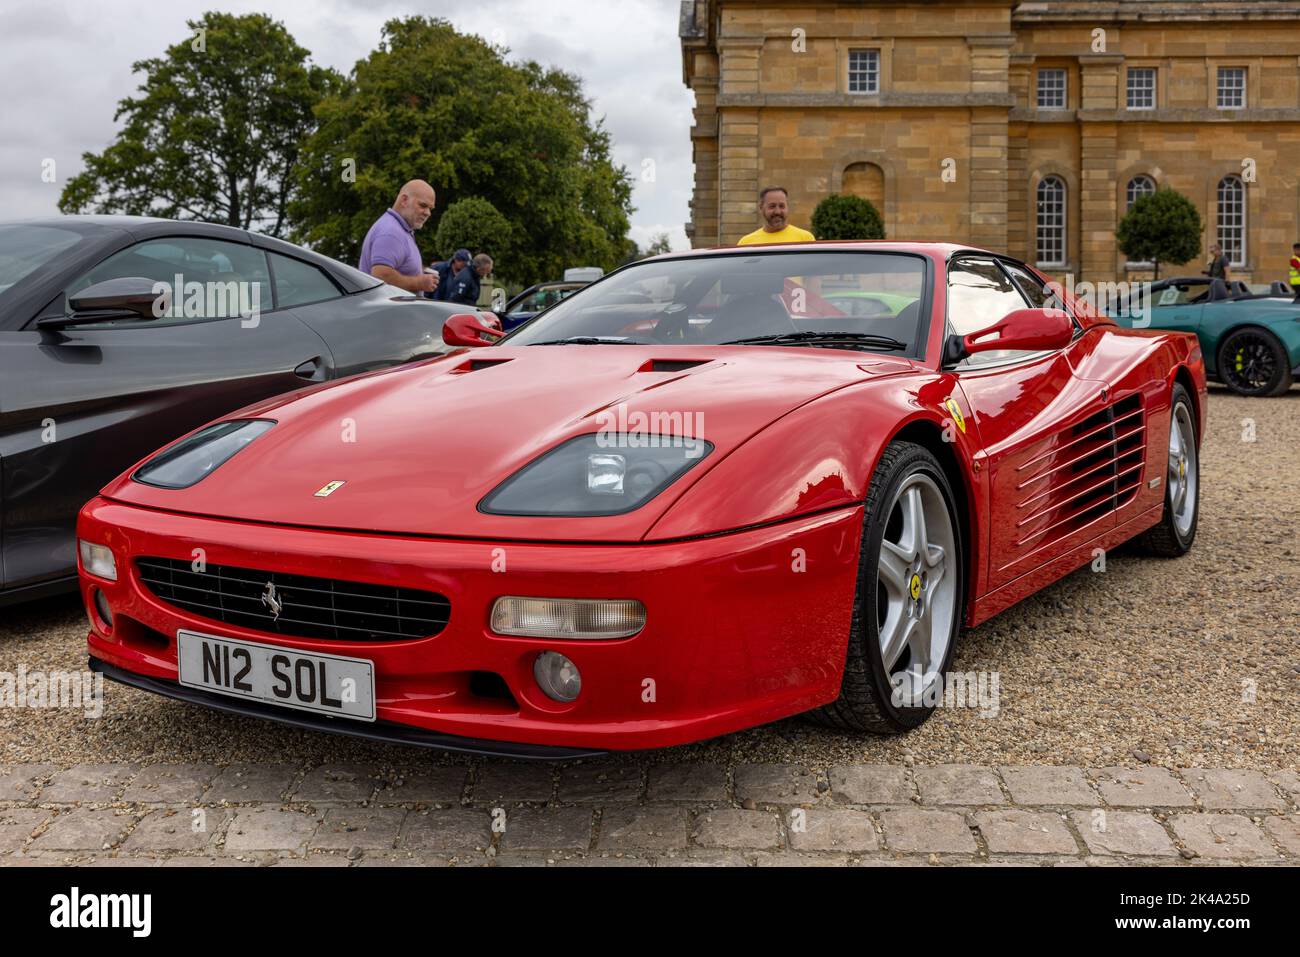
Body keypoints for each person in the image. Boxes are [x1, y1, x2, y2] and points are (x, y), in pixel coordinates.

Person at [358, 180, 439, 295]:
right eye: (423, 205)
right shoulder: (391, 232)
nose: (428, 213)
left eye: (430, 208)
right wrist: (419, 283)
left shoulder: (400, 229)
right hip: (388, 312)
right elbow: (380, 276)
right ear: (404, 200)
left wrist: (420, 271)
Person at [737, 186, 816, 245]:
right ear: (761, 208)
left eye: (782, 206)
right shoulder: (746, 243)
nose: (777, 211)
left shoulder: (805, 239)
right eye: (772, 206)